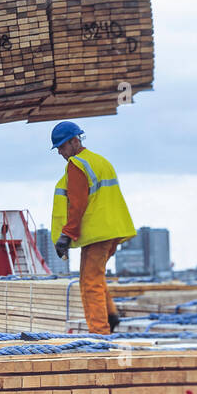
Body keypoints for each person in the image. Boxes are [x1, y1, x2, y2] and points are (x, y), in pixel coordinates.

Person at [49, 121, 136, 335]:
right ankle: (111, 316)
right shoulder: (100, 161)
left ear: (74, 141)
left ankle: (99, 332)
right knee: (96, 276)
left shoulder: (77, 164)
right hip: (113, 230)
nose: (60, 152)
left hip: (98, 233)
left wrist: (66, 236)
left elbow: (78, 204)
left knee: (89, 281)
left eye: (62, 146)